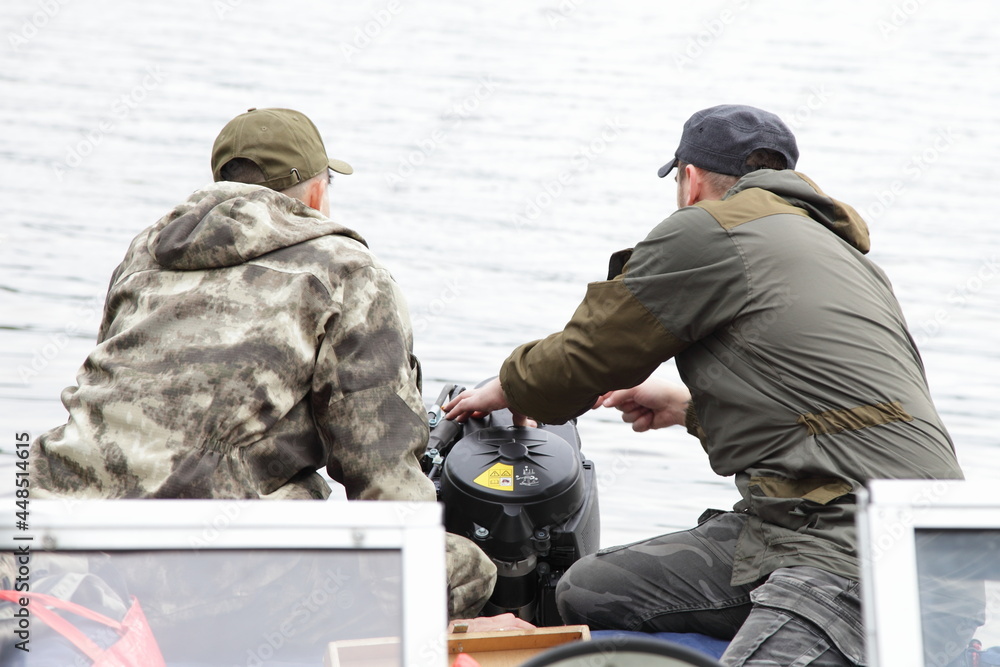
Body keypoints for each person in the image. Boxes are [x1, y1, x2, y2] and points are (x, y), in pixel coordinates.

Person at [444, 105, 977, 665]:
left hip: (851, 554)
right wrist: (687, 408)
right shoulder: (842, 256)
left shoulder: (710, 229)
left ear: (690, 179)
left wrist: (507, 389)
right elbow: (834, 411)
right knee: (590, 589)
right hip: (921, 550)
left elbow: (588, 355)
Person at [22, 108, 518, 652]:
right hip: (202, 580)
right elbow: (383, 486)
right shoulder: (349, 274)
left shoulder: (145, 253)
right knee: (467, 569)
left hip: (56, 540)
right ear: (313, 195)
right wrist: (443, 582)